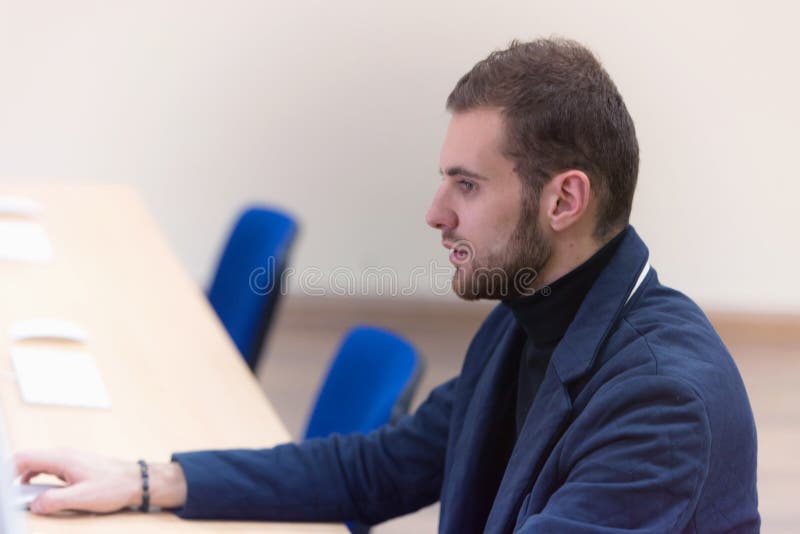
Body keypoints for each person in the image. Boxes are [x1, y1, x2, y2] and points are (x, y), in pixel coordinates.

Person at [14, 38, 759, 533]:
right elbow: (379, 468)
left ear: (564, 200)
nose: (435, 215)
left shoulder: (663, 404)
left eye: (466, 186)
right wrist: (149, 479)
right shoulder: (529, 314)